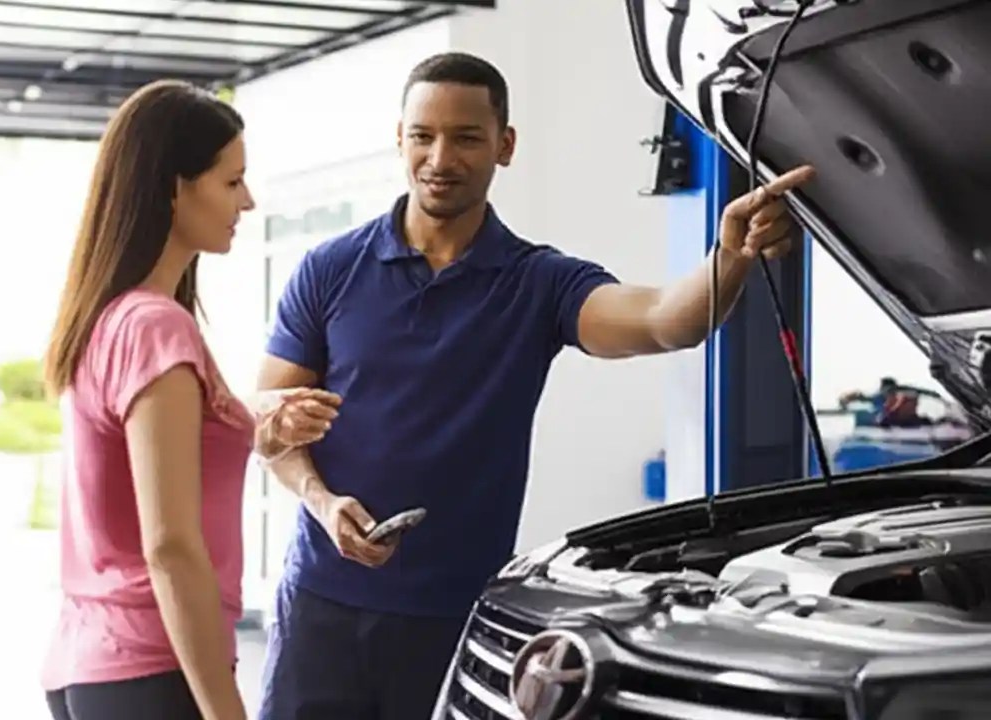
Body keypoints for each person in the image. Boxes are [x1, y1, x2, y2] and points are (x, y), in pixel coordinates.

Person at [254, 52, 816, 718]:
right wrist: (319, 499)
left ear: (505, 145)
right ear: (398, 139)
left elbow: (668, 322)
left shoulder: (539, 283)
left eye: (466, 137)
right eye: (422, 136)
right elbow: (268, 426)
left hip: (457, 618)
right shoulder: (329, 270)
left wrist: (732, 254)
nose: (441, 157)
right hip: (320, 608)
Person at [37, 80, 336, 720]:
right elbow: (171, 544)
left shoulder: (106, 319)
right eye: (231, 182)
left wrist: (262, 426)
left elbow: (152, 464)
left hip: (91, 662)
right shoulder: (155, 327)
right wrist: (225, 711)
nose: (248, 200)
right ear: (175, 187)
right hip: (150, 666)